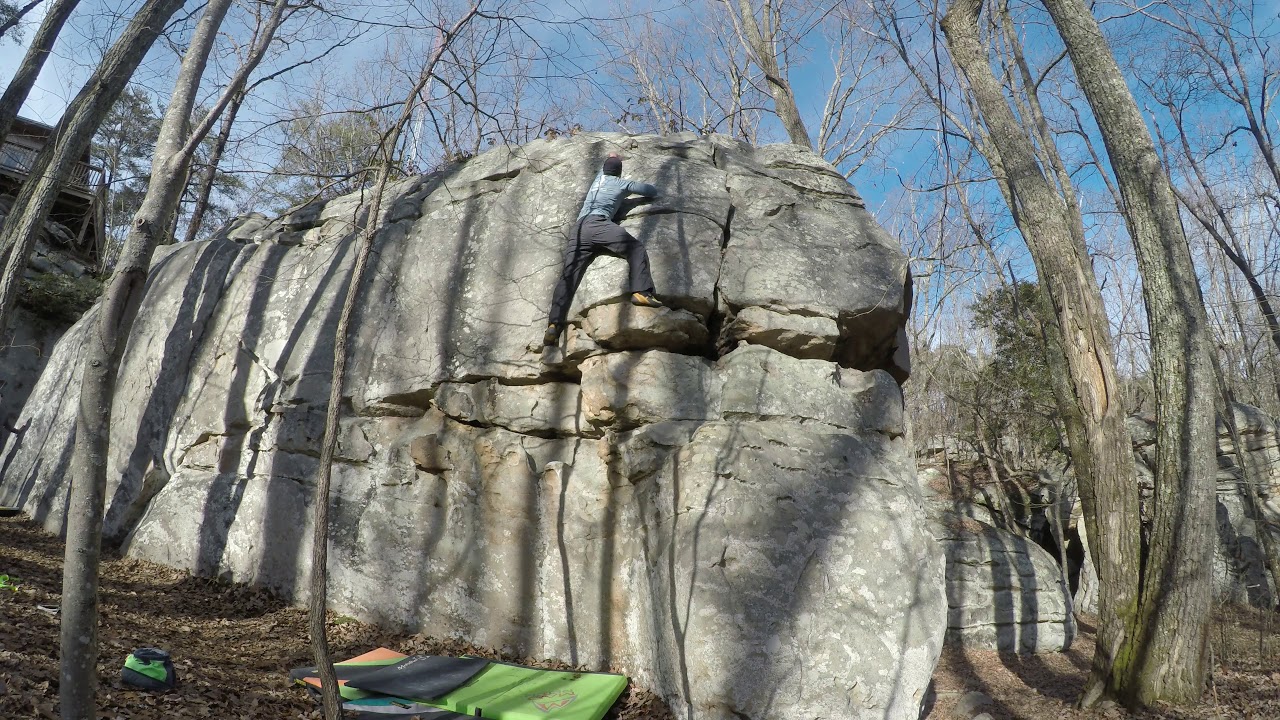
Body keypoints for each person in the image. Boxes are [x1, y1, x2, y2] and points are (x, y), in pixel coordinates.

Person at [544, 154, 663, 347]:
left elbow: (606, 168)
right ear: (618, 172)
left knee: (568, 276)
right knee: (636, 248)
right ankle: (641, 291)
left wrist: (611, 158)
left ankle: (554, 324)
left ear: (604, 169)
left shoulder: (597, 180)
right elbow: (650, 191)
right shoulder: (621, 183)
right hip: (599, 224)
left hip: (579, 229)